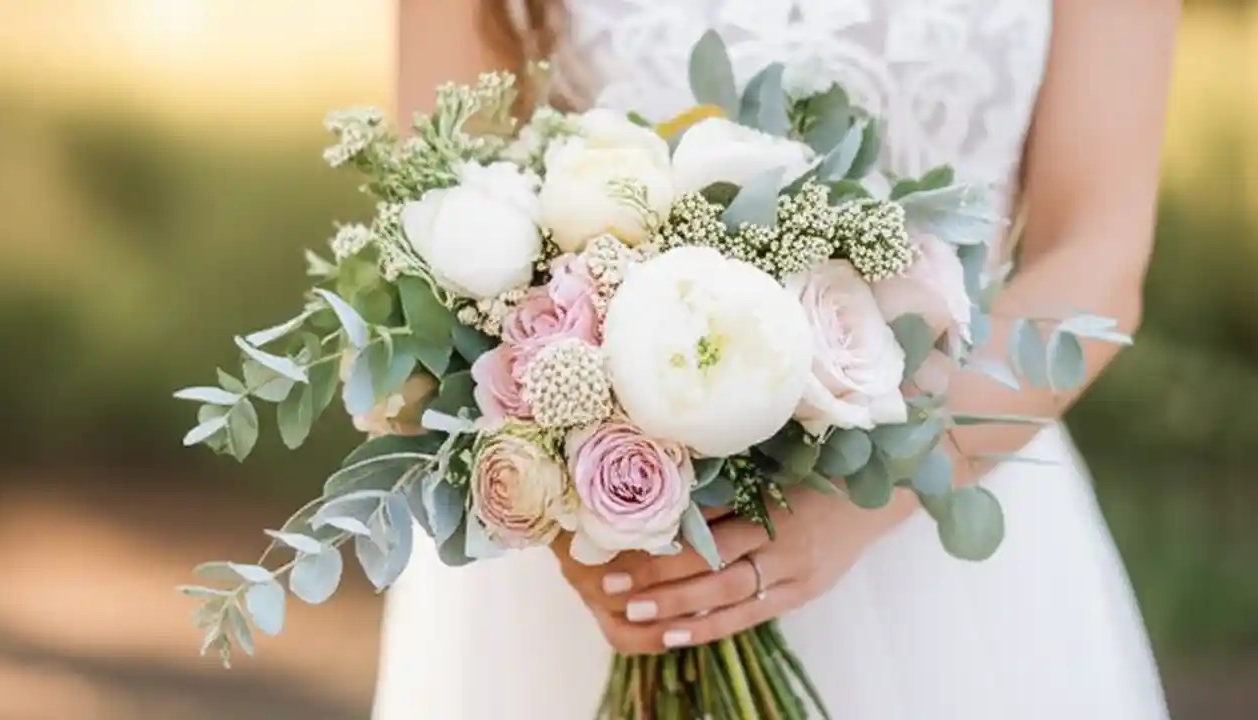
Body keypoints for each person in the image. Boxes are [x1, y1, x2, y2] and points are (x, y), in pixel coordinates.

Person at [375, 1, 1179, 718]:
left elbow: (1095, 257)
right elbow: (436, 216)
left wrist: (874, 495)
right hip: (596, 552)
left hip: (938, 512)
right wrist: (576, 510)